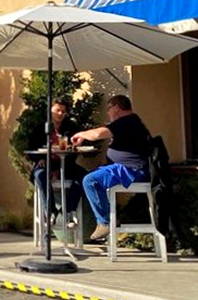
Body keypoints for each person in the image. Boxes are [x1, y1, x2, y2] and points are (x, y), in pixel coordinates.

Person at [71, 94, 151, 242]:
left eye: (109, 109)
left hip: (130, 170)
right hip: (125, 168)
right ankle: (91, 216)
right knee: (86, 178)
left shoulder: (126, 121)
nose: (108, 113)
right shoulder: (130, 122)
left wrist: (81, 134)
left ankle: (105, 222)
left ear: (117, 107)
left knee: (90, 180)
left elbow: (98, 134)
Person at [28, 98, 85, 227]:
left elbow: (74, 150)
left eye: (63, 112)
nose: (60, 114)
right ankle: (50, 212)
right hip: (46, 164)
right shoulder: (41, 127)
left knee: (84, 176)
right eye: (57, 110)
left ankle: (68, 211)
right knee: (40, 175)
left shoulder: (71, 127)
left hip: (66, 164)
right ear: (50, 110)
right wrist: (39, 159)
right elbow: (31, 149)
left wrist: (77, 144)